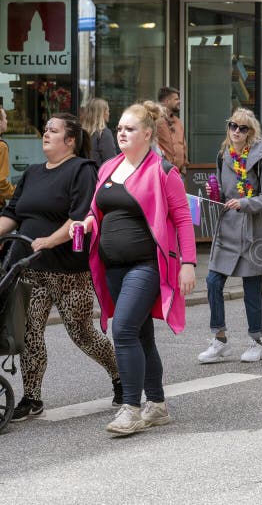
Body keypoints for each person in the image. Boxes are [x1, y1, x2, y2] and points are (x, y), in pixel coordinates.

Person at [75, 101, 196, 435]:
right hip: (112, 265)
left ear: (146, 134)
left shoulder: (163, 171)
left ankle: (130, 409)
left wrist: (188, 263)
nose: (122, 133)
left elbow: (183, 220)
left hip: (147, 264)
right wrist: (88, 221)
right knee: (141, 335)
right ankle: (157, 405)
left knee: (124, 330)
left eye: (129, 129)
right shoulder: (109, 167)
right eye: (120, 129)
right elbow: (97, 208)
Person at [0, 113, 121, 422]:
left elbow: (80, 215)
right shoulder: (32, 173)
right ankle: (32, 397)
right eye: (45, 129)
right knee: (29, 333)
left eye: (53, 131)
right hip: (29, 268)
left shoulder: (81, 170)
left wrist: (49, 240)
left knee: (81, 333)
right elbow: (13, 213)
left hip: (68, 270)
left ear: (70, 140)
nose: (45, 134)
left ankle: (120, 377)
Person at [198, 108, 262, 364]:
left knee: (251, 287)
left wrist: (244, 202)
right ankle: (219, 339)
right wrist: (213, 193)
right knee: (212, 281)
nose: (237, 132)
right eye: (233, 126)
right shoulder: (223, 154)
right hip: (227, 228)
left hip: (253, 229)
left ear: (251, 132)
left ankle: (256, 341)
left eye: (243, 128)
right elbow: (222, 194)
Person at [156, 86, 189, 173]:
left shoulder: (178, 122)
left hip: (179, 173)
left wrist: (184, 165)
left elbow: (183, 145)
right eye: (176, 99)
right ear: (167, 101)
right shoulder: (155, 121)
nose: (179, 101)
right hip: (162, 172)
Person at [81, 98, 116, 166]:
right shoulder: (104, 133)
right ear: (102, 113)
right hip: (98, 175)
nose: (109, 113)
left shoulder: (80, 132)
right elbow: (110, 162)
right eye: (108, 111)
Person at [0, 107, 15, 205]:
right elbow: (1, 182)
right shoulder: (1, 146)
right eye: (5, 118)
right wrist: (15, 191)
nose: (7, 121)